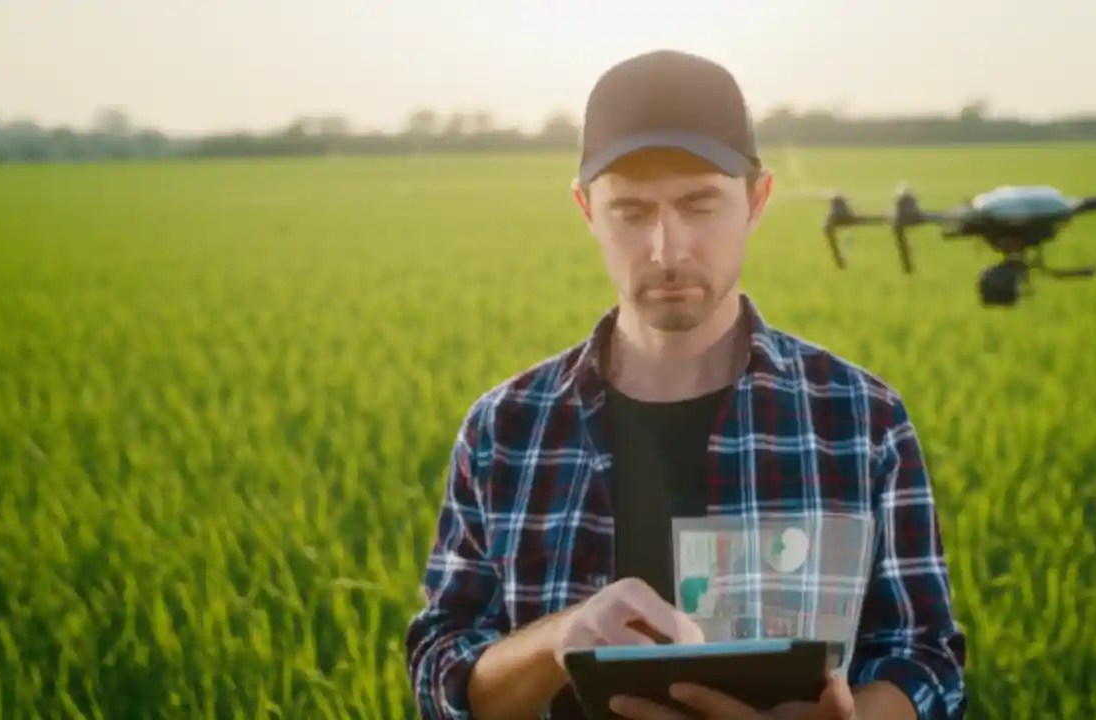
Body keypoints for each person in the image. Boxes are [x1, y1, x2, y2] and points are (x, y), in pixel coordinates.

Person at [405, 48, 967, 720]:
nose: (667, 251)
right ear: (587, 209)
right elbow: (441, 674)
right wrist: (560, 641)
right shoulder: (505, 431)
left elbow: (927, 660)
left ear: (757, 200)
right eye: (631, 212)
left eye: (700, 204)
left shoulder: (861, 420)